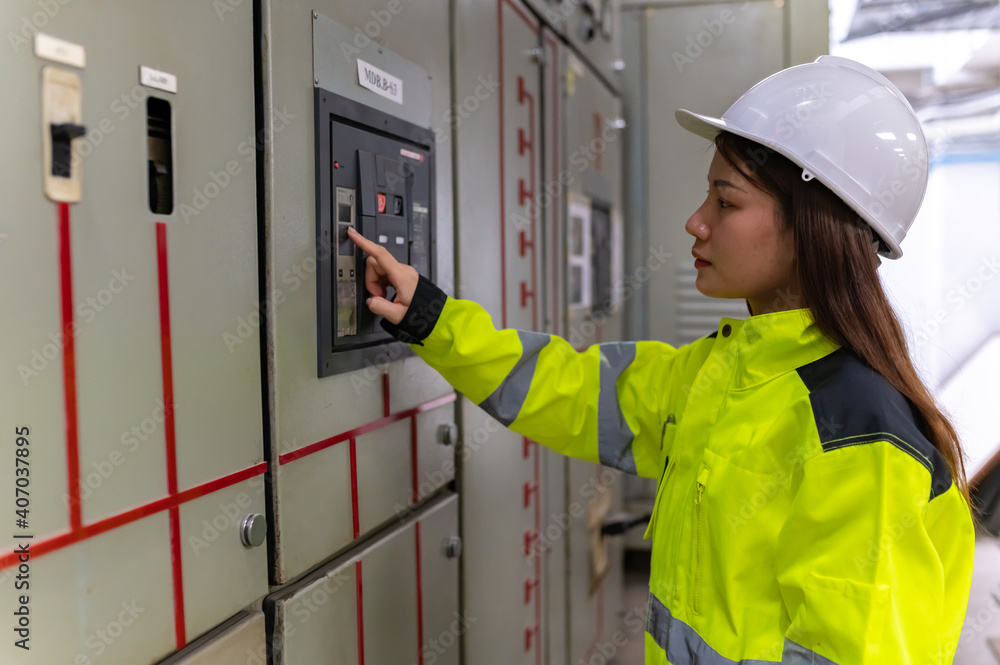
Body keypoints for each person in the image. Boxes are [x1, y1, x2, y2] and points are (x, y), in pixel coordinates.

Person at [347, 55, 977, 664]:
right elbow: (568, 387)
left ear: (812, 225)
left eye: (725, 203)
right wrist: (432, 319)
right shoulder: (718, 374)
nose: (696, 222)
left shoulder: (860, 440)